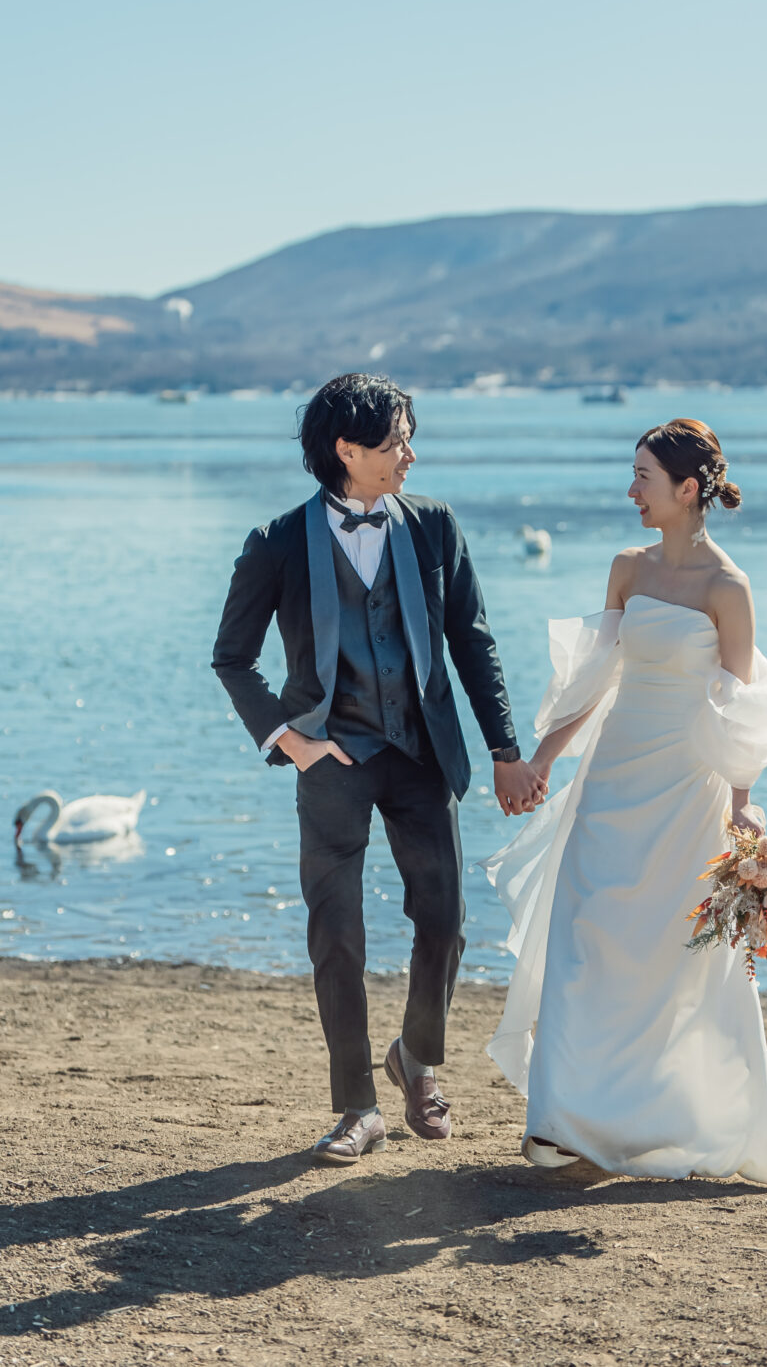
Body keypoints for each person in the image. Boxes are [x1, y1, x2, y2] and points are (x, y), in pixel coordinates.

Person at [213, 373, 545, 1164]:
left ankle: (416, 1057)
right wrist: (292, 742)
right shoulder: (277, 542)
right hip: (332, 760)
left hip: (422, 753)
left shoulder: (434, 526)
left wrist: (505, 753)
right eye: (397, 441)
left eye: (408, 438)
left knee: (444, 922)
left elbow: (473, 642)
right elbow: (233, 659)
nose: (410, 454)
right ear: (347, 450)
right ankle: (357, 1108)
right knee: (337, 935)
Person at [483, 417, 767, 1187]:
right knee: (584, 940)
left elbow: (741, 706)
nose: (631, 491)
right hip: (612, 779)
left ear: (688, 489)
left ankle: (662, 1119)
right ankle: (563, 1121)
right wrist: (541, 759)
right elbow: (593, 682)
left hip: (687, 791)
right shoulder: (627, 567)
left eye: (643, 477)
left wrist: (743, 805)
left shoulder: (728, 589)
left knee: (666, 959)